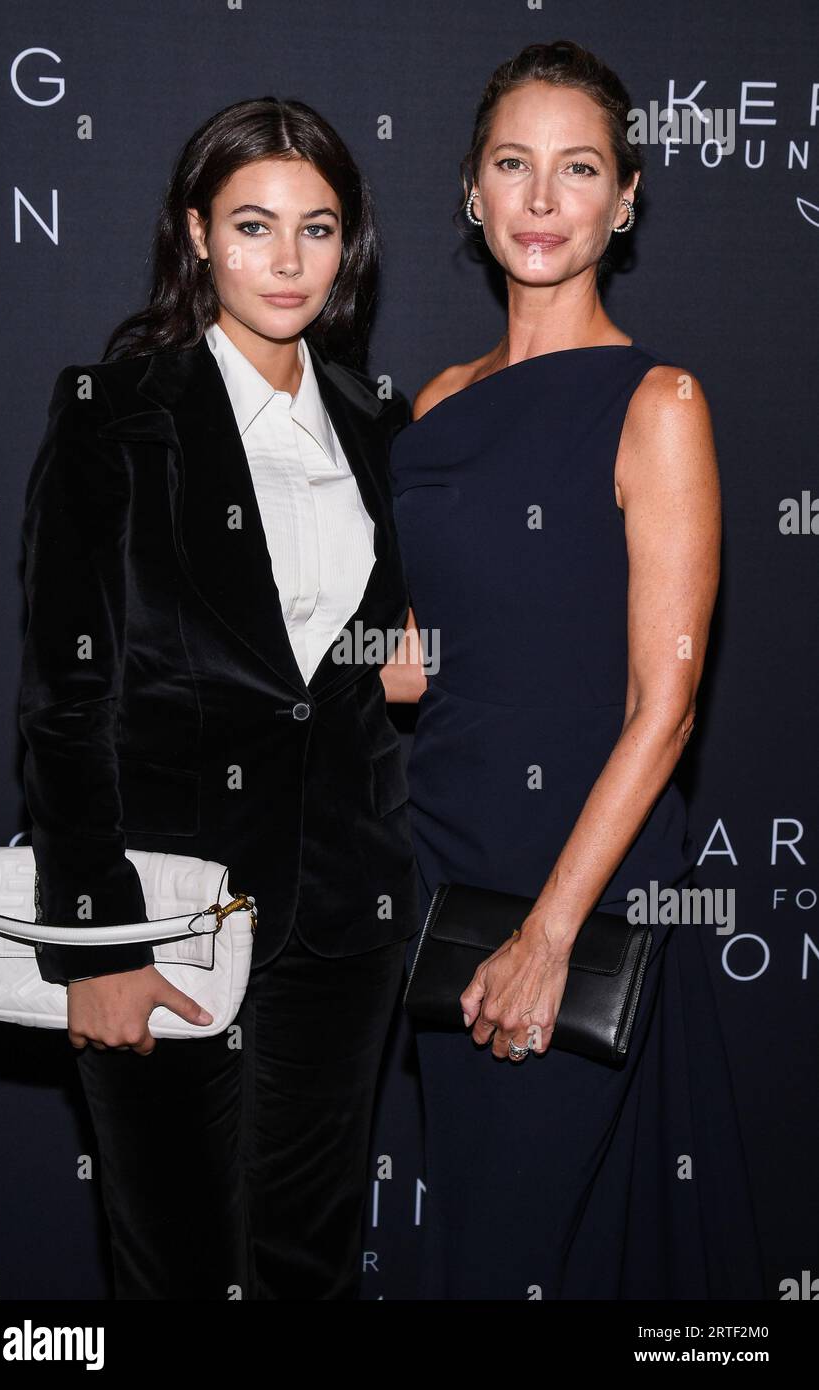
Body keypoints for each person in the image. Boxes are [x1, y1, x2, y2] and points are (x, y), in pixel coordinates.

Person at [18, 96, 419, 1300]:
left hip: (341, 921)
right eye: (252, 225)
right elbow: (63, 695)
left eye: (317, 228)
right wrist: (97, 936)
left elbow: (356, 655)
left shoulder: (375, 422)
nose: (286, 261)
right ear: (196, 233)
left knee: (306, 1266)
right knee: (177, 1271)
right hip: (168, 914)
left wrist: (399, 661)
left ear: (348, 245)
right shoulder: (116, 416)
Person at [383, 39, 766, 1299]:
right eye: (512, 165)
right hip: (441, 868)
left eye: (577, 168)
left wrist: (550, 933)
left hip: (571, 888)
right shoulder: (436, 403)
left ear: (624, 198)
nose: (542, 201)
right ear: (470, 192)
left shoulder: (658, 402)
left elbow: (664, 712)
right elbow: (412, 663)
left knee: (514, 1251)